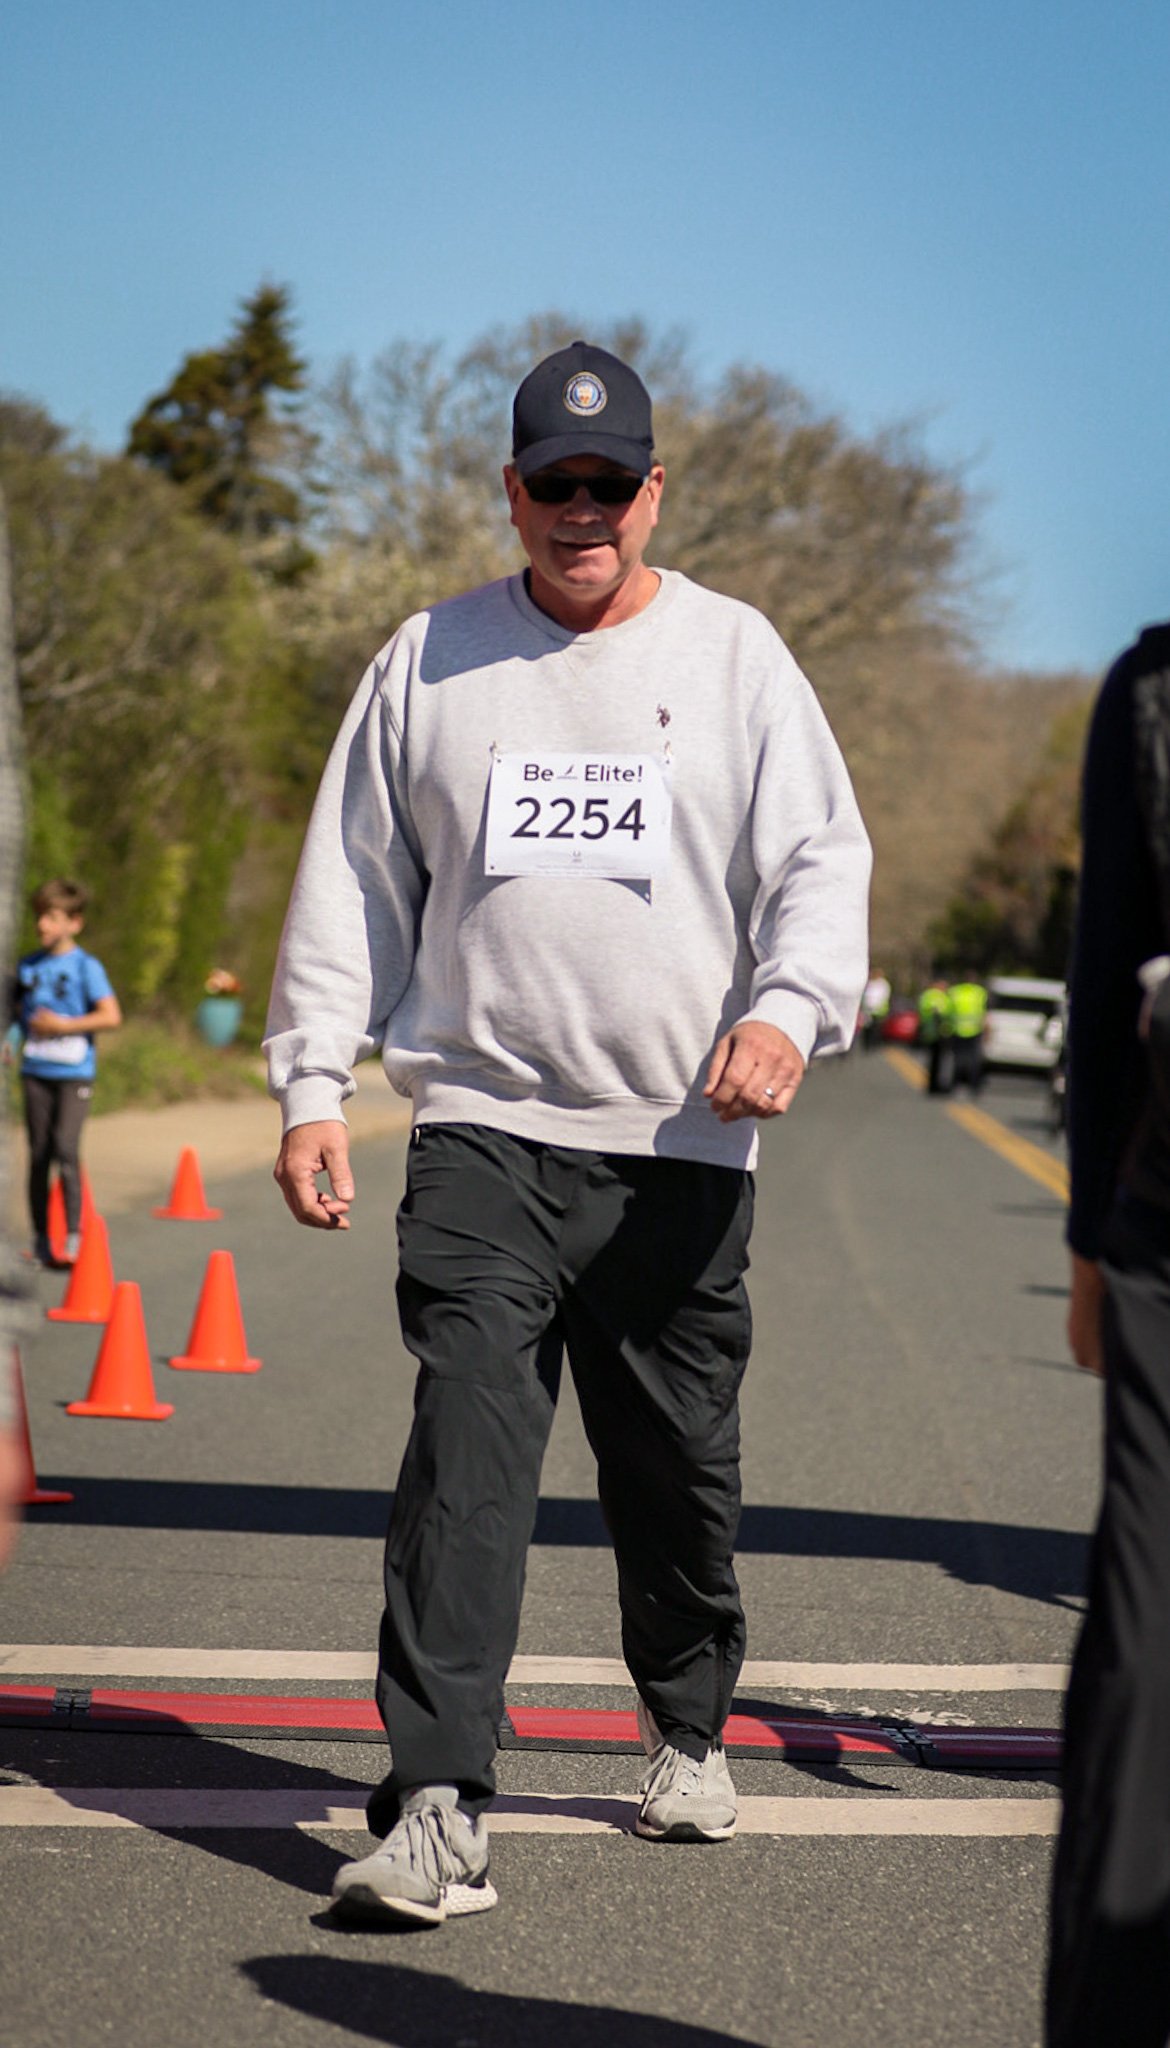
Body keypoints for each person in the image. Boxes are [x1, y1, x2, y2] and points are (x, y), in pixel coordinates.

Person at [265, 339, 872, 1928]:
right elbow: (353, 879)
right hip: (480, 1128)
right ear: (513, 491)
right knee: (465, 1456)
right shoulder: (430, 658)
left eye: (611, 485)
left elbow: (818, 862)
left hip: (677, 1141)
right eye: (555, 484)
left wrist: (786, 1008)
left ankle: (686, 1718)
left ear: (652, 491)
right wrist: (312, 1081)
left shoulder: (739, 660)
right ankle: (437, 1803)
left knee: (673, 1475)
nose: (582, 511)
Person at [1047, 621, 1170, 2048]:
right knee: (1142, 1656)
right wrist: (1088, 1239)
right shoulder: (1148, 693)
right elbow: (1101, 973)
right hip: (1159, 1239)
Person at [13, 879, 121, 1265]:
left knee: (65, 1148)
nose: (42, 924)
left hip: (74, 1072)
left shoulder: (85, 966)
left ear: (74, 922)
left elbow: (111, 1015)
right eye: (39, 915)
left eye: (53, 916)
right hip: (35, 1070)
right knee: (39, 1154)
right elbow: (15, 1016)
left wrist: (63, 1026)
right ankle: (42, 1239)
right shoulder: (27, 966)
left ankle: (74, 1236)